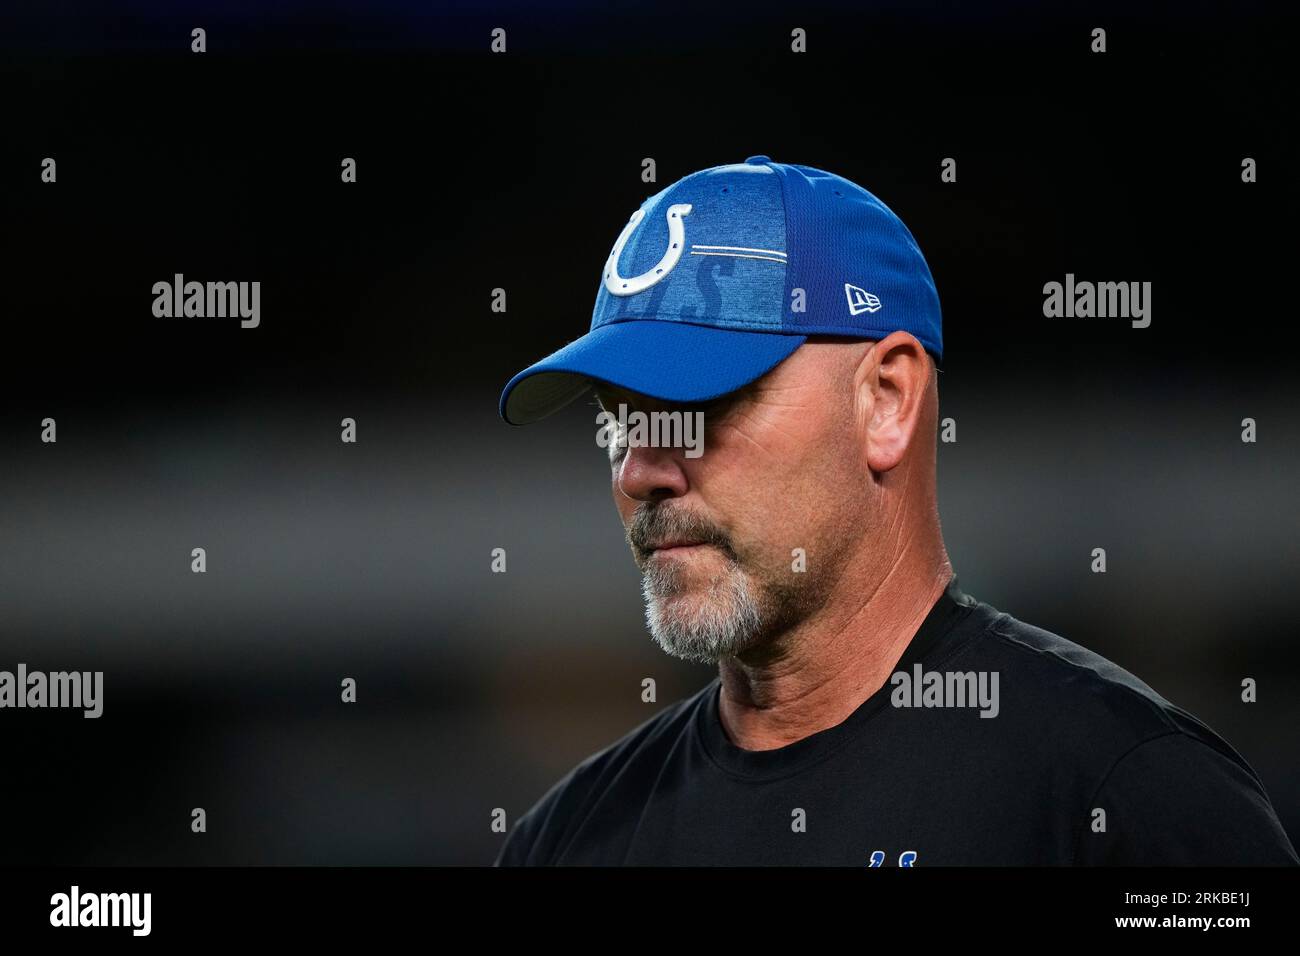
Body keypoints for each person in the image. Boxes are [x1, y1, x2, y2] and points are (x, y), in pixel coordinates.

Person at [493, 156, 1298, 865]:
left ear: (887, 401)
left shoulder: (1127, 796)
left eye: (698, 403)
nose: (640, 467)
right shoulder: (567, 840)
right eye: (617, 418)